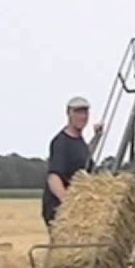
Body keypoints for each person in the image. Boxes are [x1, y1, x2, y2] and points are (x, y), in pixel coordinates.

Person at [41, 96, 104, 232]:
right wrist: (68, 204)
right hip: (58, 208)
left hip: (75, 208)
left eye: (85, 113)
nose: (82, 117)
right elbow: (53, 178)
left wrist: (97, 137)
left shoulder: (79, 141)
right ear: (68, 114)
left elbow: (84, 159)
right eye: (78, 112)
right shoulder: (60, 142)